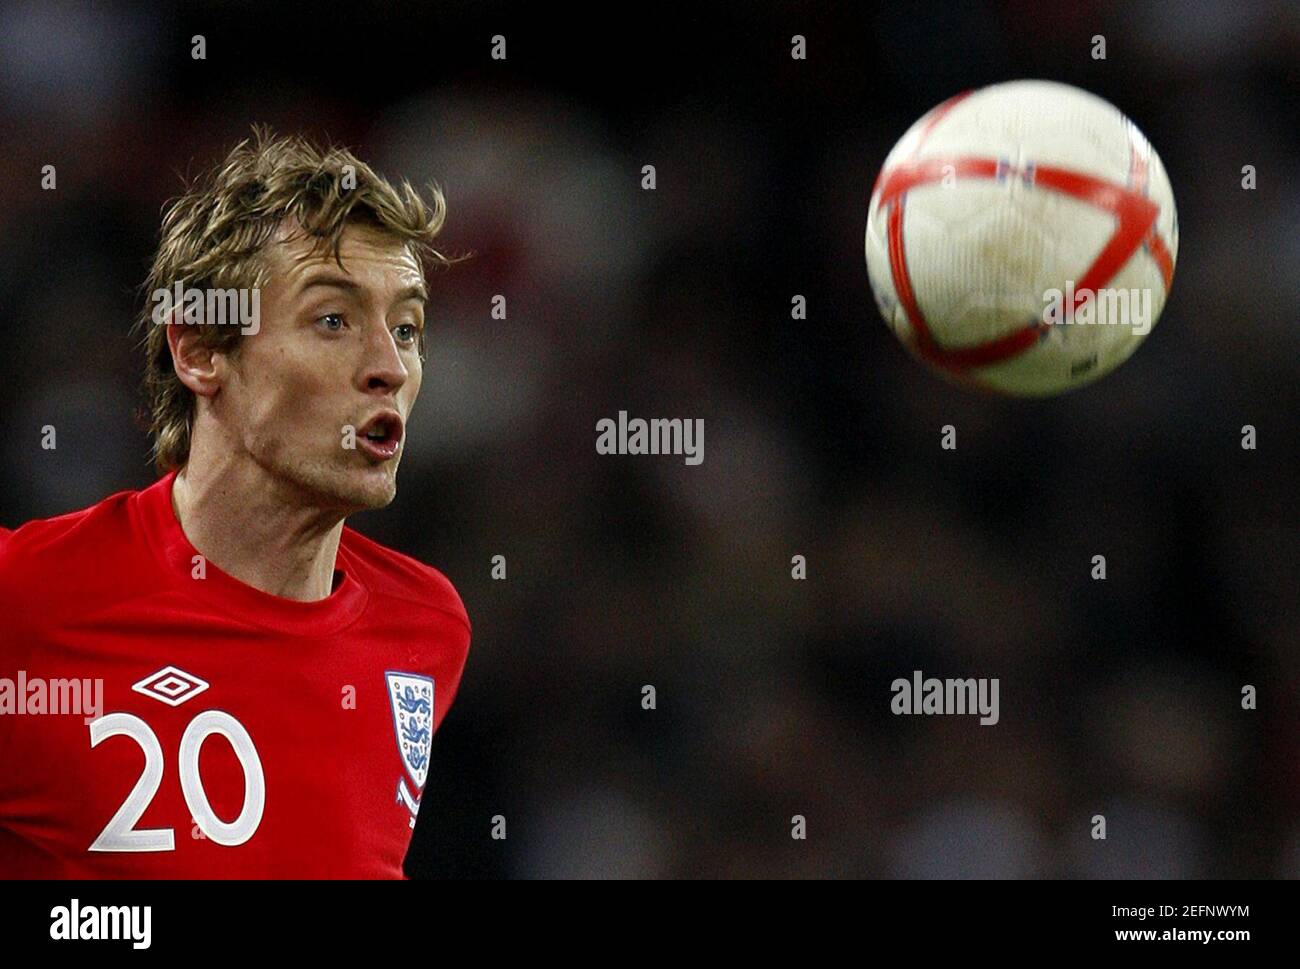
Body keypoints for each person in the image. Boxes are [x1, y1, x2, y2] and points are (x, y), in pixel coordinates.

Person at [0, 129, 470, 878]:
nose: (388, 366)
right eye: (332, 320)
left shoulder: (426, 628)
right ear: (198, 350)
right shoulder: (23, 599)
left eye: (407, 328)